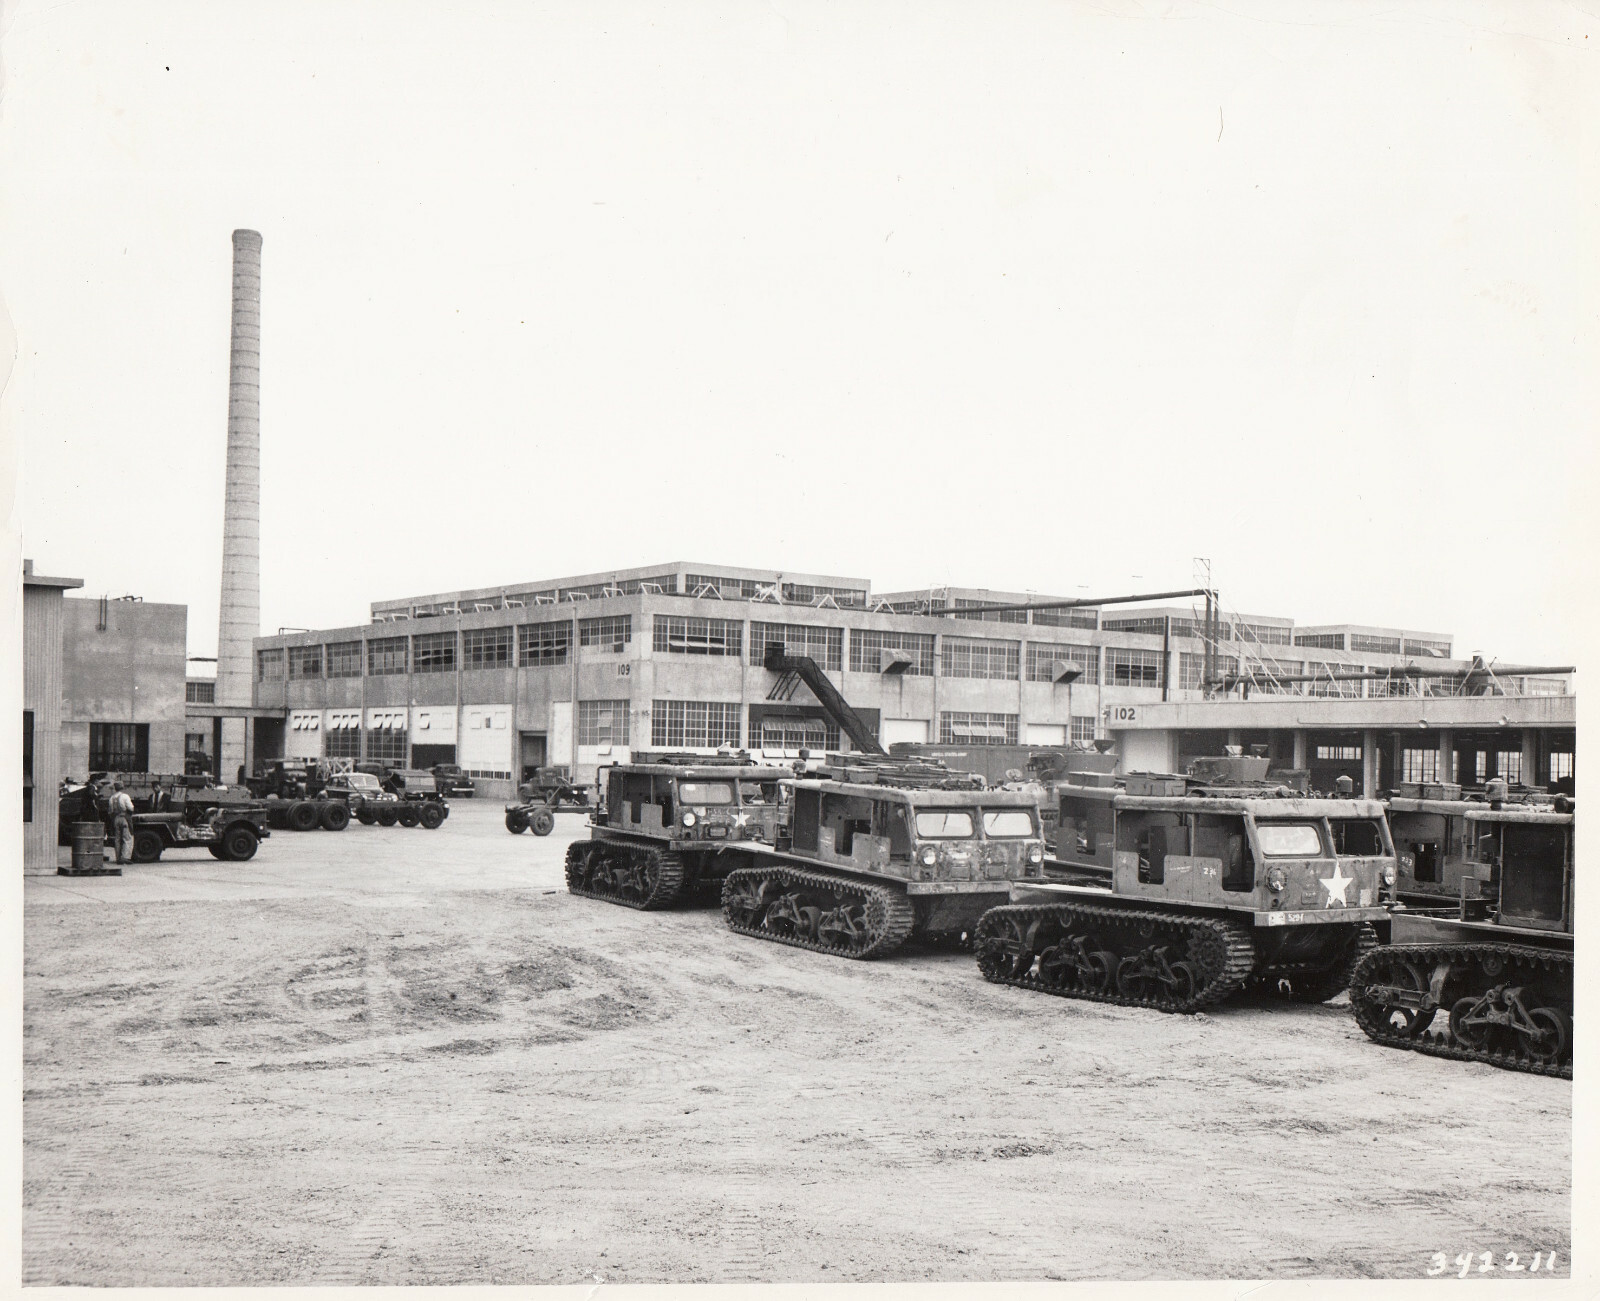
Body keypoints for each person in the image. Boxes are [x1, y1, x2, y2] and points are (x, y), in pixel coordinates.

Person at [106, 781, 135, 865]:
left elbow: (110, 811)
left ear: (115, 788)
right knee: (127, 838)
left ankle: (118, 858)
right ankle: (125, 857)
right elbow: (131, 808)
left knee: (117, 839)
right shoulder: (125, 796)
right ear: (122, 787)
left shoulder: (112, 798)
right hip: (125, 818)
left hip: (116, 818)